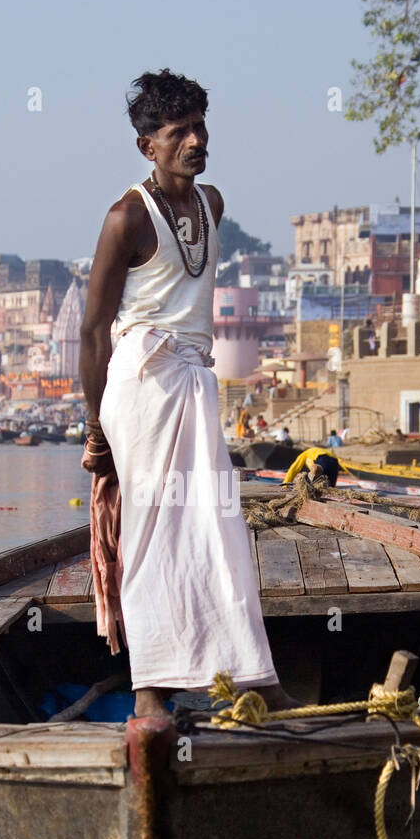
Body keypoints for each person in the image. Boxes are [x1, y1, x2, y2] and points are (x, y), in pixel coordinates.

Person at [79, 67, 298, 719]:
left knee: (218, 530)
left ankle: (256, 676)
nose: (196, 141)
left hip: (195, 384)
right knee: (152, 536)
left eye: (200, 127)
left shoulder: (213, 204)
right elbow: (93, 331)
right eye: (179, 132)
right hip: (142, 389)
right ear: (148, 145)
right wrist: (95, 428)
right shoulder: (126, 217)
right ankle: (150, 695)